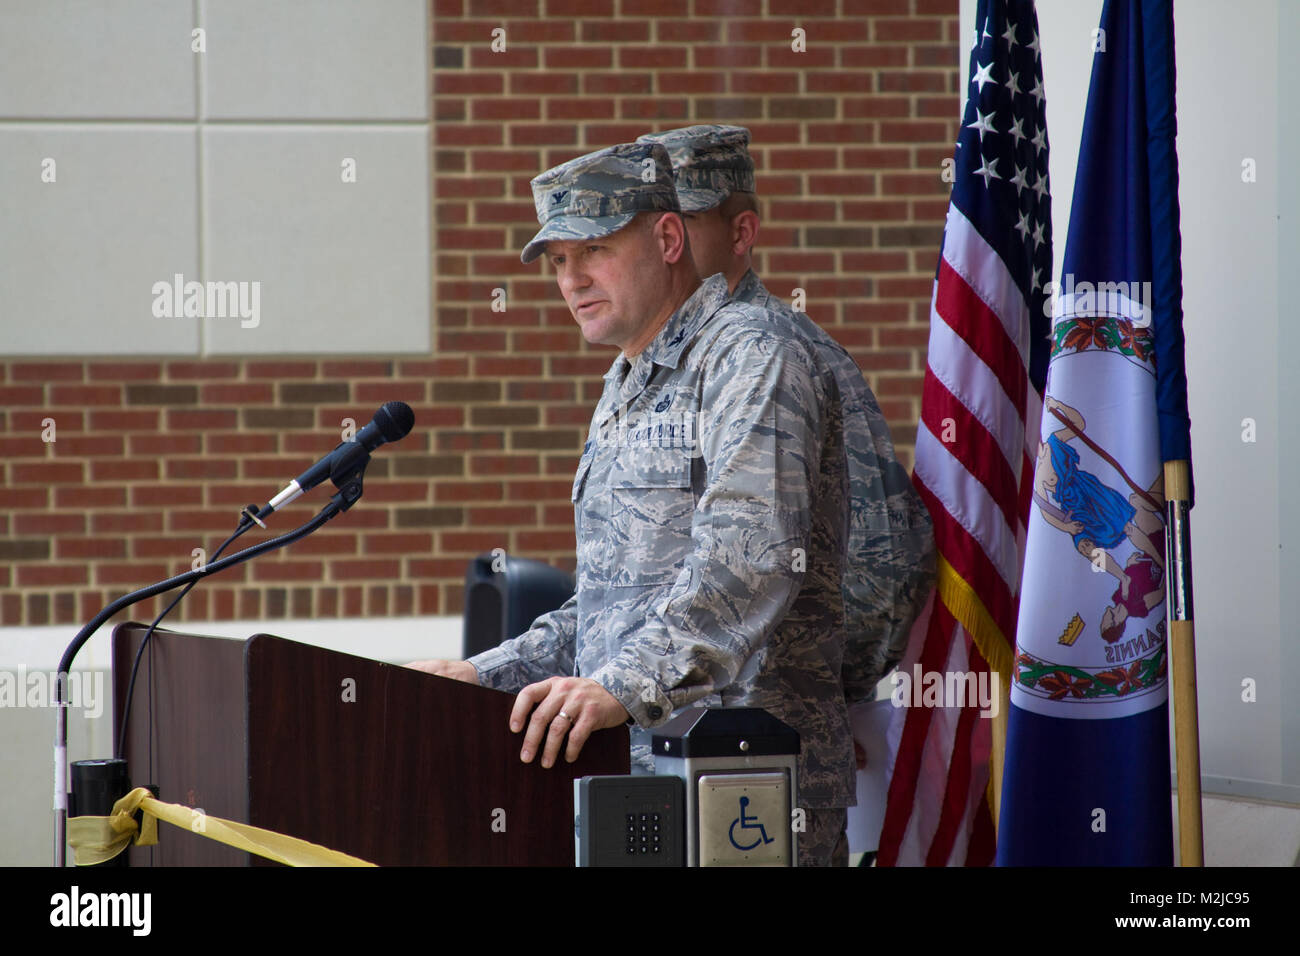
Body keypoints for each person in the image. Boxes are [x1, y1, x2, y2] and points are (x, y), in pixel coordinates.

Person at [409, 141, 856, 866]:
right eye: (556, 260)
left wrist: (618, 686)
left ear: (668, 239)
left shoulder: (753, 353)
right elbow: (614, 605)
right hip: (636, 778)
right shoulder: (630, 379)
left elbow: (749, 563)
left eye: (593, 249)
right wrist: (486, 677)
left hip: (746, 787)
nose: (572, 279)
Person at [637, 125, 937, 841]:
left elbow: (885, 562)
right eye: (652, 226)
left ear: (742, 232)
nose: (663, 243)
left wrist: (819, 685)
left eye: (682, 223)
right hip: (664, 758)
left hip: (767, 767)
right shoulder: (657, 369)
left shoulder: (787, 353)